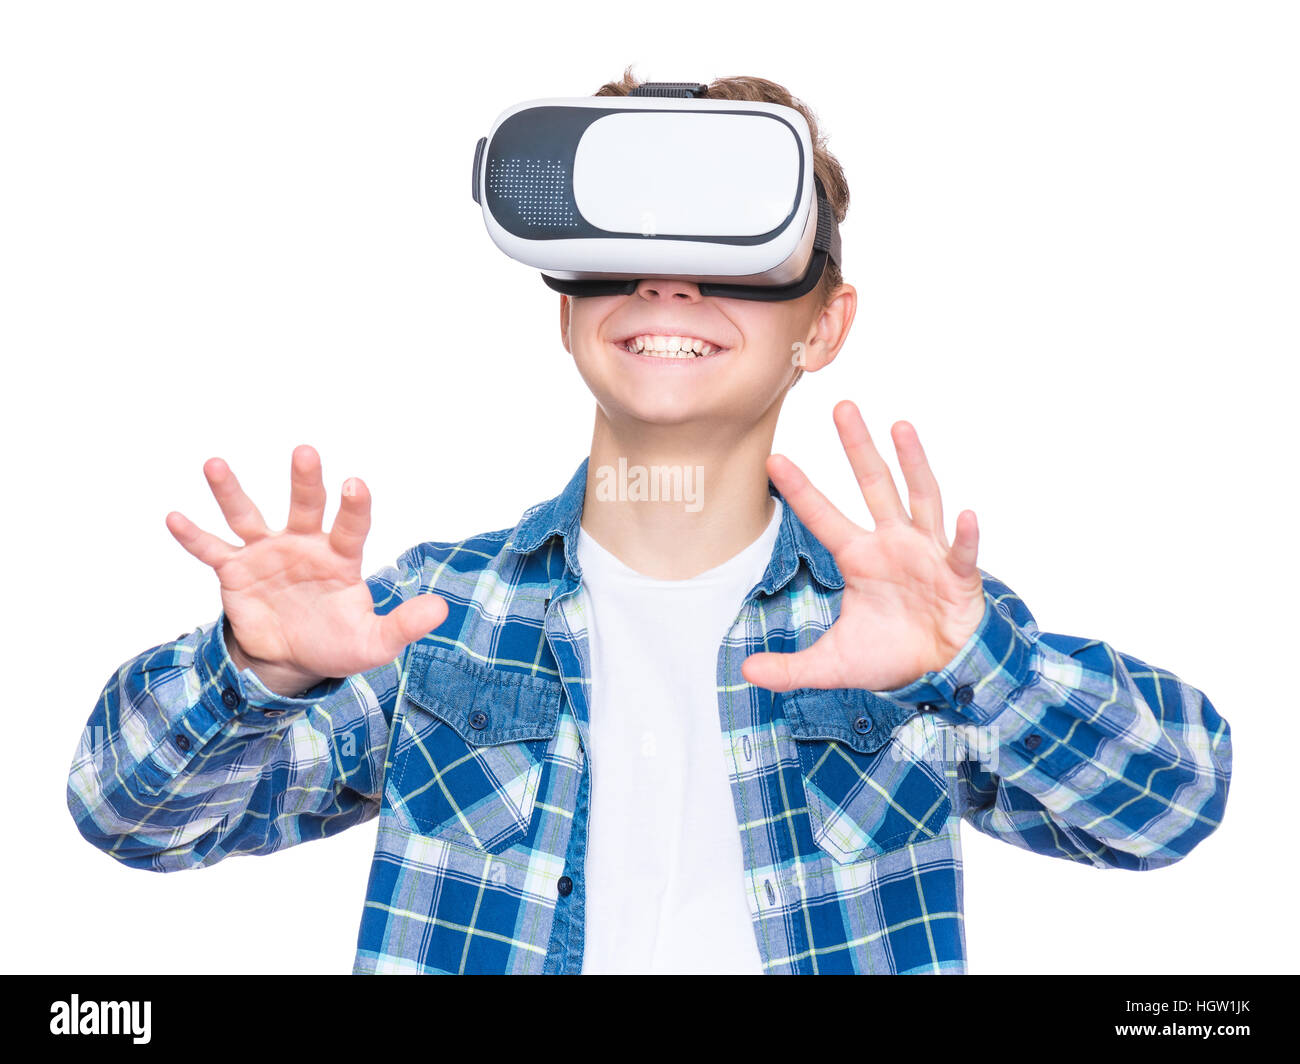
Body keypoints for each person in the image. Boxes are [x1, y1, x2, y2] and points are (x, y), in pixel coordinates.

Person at [66, 70, 1232, 975]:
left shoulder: (915, 629)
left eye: (728, 249)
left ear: (822, 323)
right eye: (621, 249)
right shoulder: (433, 621)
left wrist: (981, 660)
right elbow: (133, 816)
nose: (666, 285)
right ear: (566, 304)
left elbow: (1176, 803)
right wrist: (256, 667)